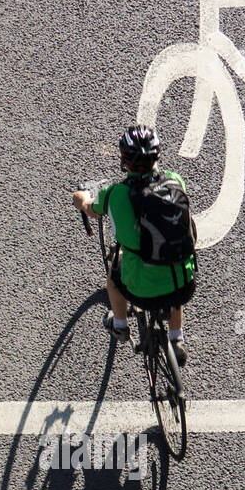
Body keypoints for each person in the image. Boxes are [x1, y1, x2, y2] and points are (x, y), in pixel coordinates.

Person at [72, 125, 196, 366]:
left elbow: (91, 209)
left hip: (141, 292)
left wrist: (81, 199)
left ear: (124, 160)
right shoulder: (175, 181)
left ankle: (119, 325)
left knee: (114, 271)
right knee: (172, 255)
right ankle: (176, 337)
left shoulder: (115, 194)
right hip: (184, 284)